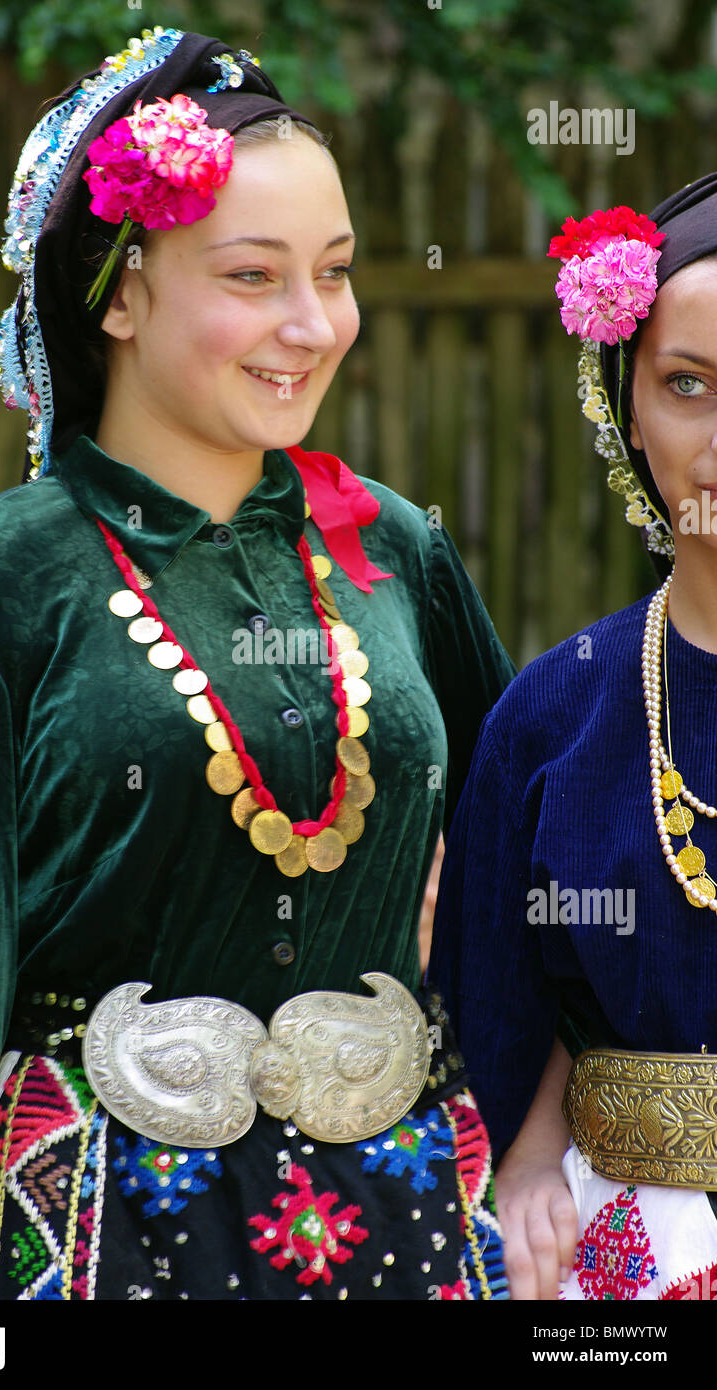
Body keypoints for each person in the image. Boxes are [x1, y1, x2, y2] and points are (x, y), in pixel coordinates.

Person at [0, 26, 514, 1301]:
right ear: (118, 289)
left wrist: (538, 1154)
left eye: (334, 272)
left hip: (407, 1232)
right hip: (93, 1240)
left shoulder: (396, 547)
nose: (313, 325)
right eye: (253, 276)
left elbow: (529, 871)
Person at [430, 175, 717, 1301]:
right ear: (624, 407)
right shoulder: (555, 712)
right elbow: (487, 1005)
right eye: (687, 385)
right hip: (617, 1259)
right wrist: (523, 1150)